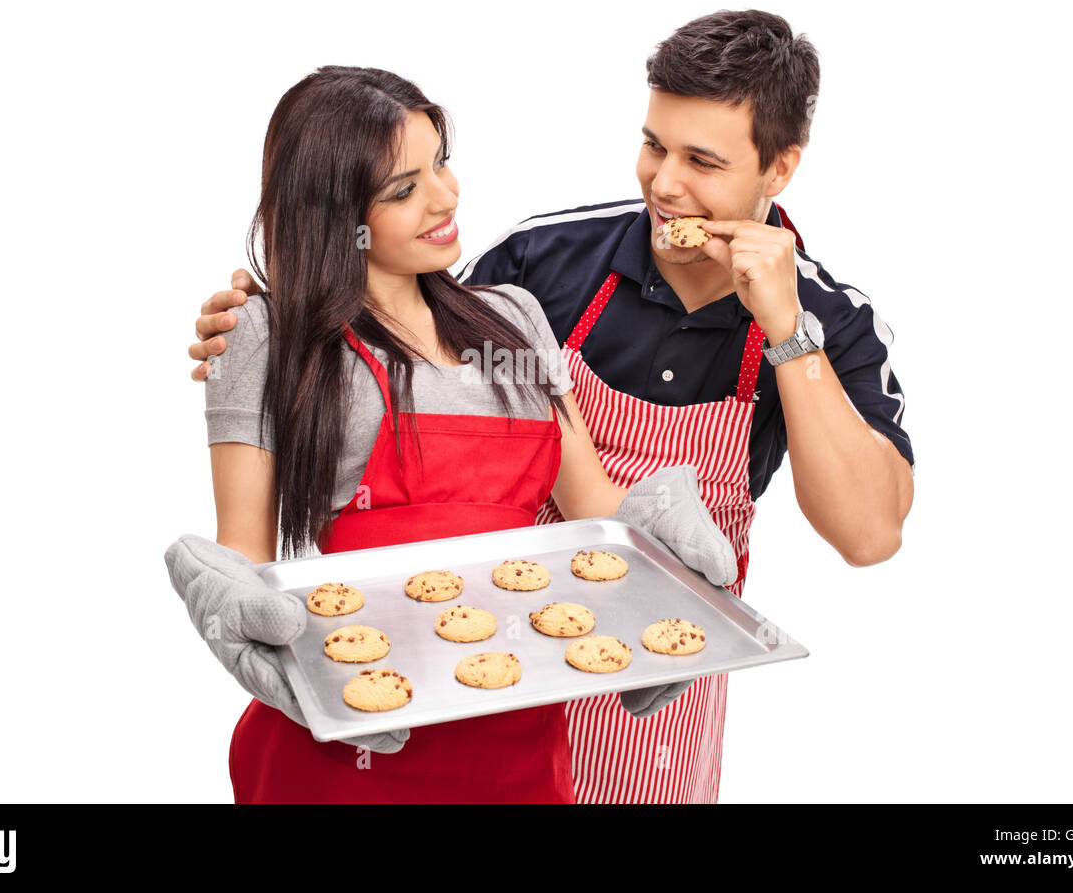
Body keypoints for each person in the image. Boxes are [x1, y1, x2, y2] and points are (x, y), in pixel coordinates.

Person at [187, 11, 916, 804]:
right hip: (394, 726)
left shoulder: (821, 319)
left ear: (780, 169)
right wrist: (266, 327)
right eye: (655, 145)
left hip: (600, 703)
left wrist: (783, 335)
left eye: (702, 160)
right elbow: (262, 543)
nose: (666, 184)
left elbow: (860, 535)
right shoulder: (537, 268)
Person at [166, 65, 746, 803]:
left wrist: (663, 543)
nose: (445, 196)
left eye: (440, 162)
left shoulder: (514, 320)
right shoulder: (265, 335)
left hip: (518, 744)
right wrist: (227, 605)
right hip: (346, 750)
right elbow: (246, 557)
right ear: (335, 214)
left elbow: (596, 508)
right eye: (404, 189)